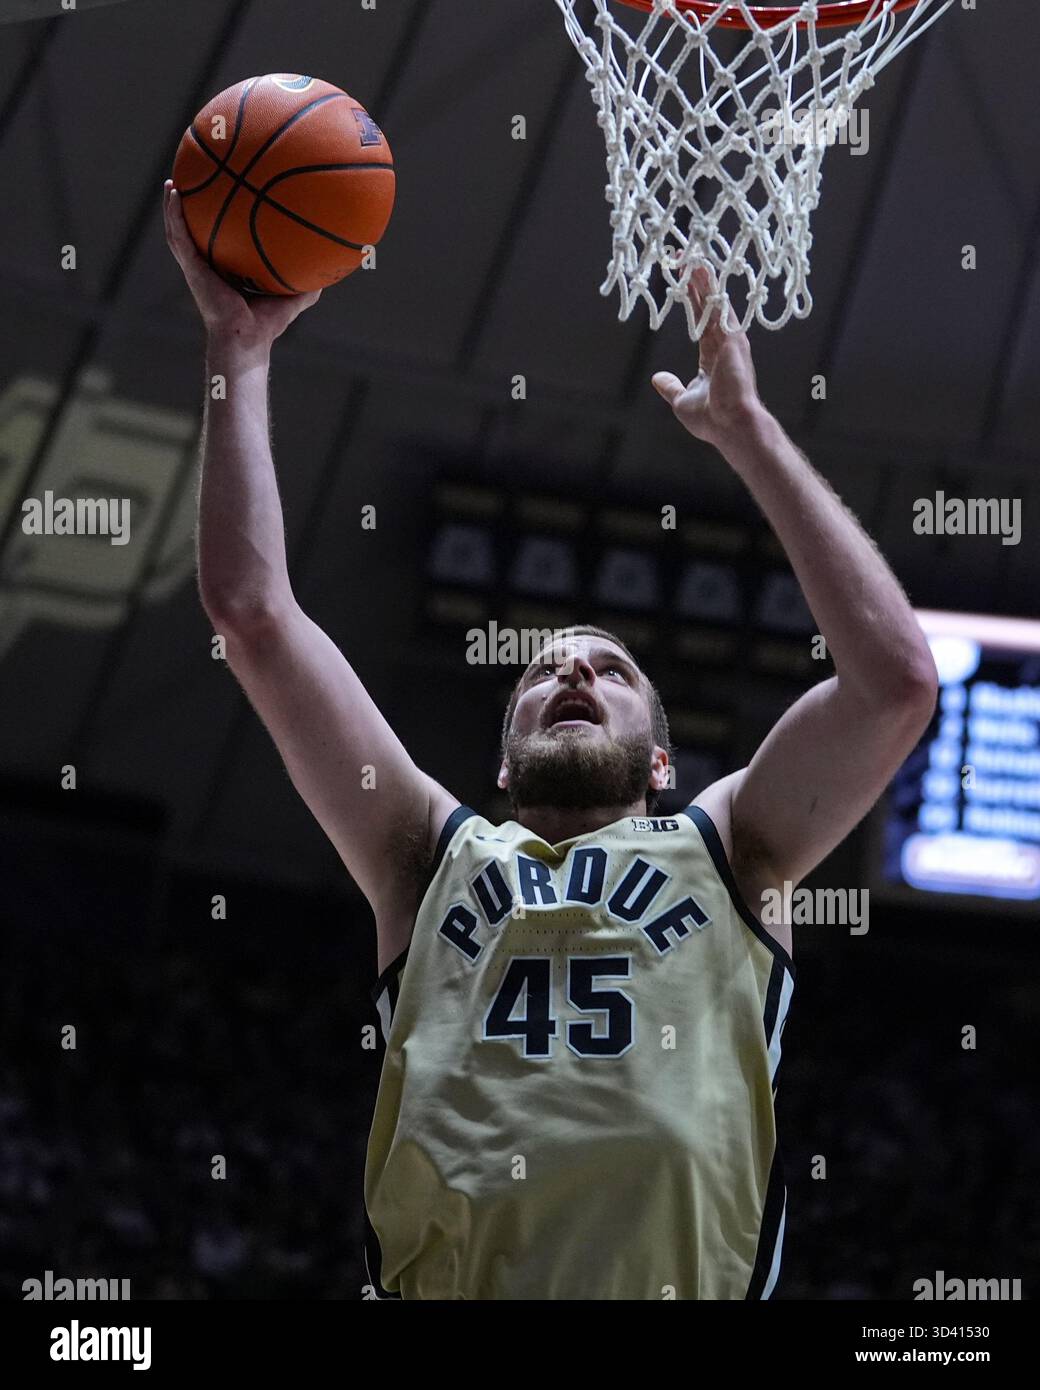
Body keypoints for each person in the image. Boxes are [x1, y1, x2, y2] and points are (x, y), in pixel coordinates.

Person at [163, 179, 938, 1300]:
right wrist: (235, 349)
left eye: (610, 670)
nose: (571, 668)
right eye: (540, 671)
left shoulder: (732, 848)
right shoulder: (424, 852)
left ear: (665, 767)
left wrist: (750, 437)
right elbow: (251, 613)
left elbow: (895, 684)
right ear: (498, 763)